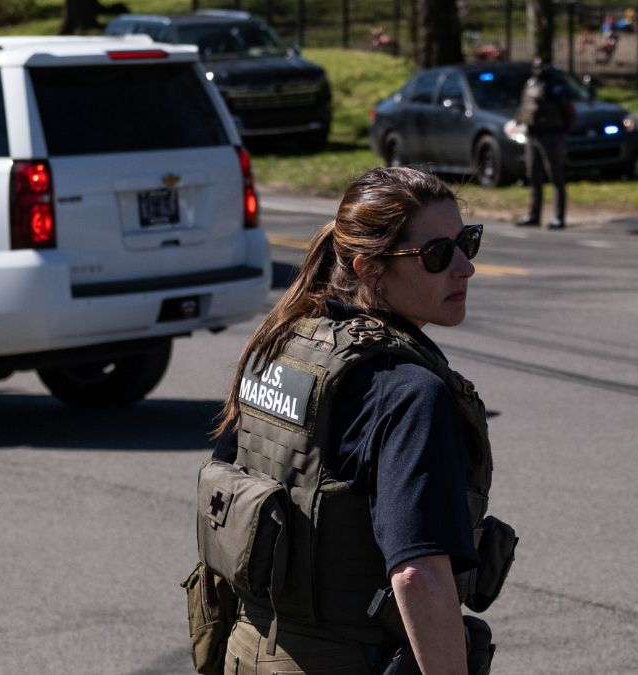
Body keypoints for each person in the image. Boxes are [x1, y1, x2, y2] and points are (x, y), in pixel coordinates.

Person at [200, 167, 514, 674]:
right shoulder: (410, 393)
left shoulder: (282, 343)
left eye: (466, 242)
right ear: (369, 268)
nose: (464, 268)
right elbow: (419, 574)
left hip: (252, 656)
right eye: (437, 254)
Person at [513, 58, 575, 229]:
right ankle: (533, 215)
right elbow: (524, 108)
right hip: (532, 134)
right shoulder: (530, 84)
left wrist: (564, 131)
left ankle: (559, 217)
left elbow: (569, 110)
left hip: (551, 135)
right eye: (536, 66)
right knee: (533, 176)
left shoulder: (556, 86)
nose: (538, 70)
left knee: (555, 177)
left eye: (541, 67)